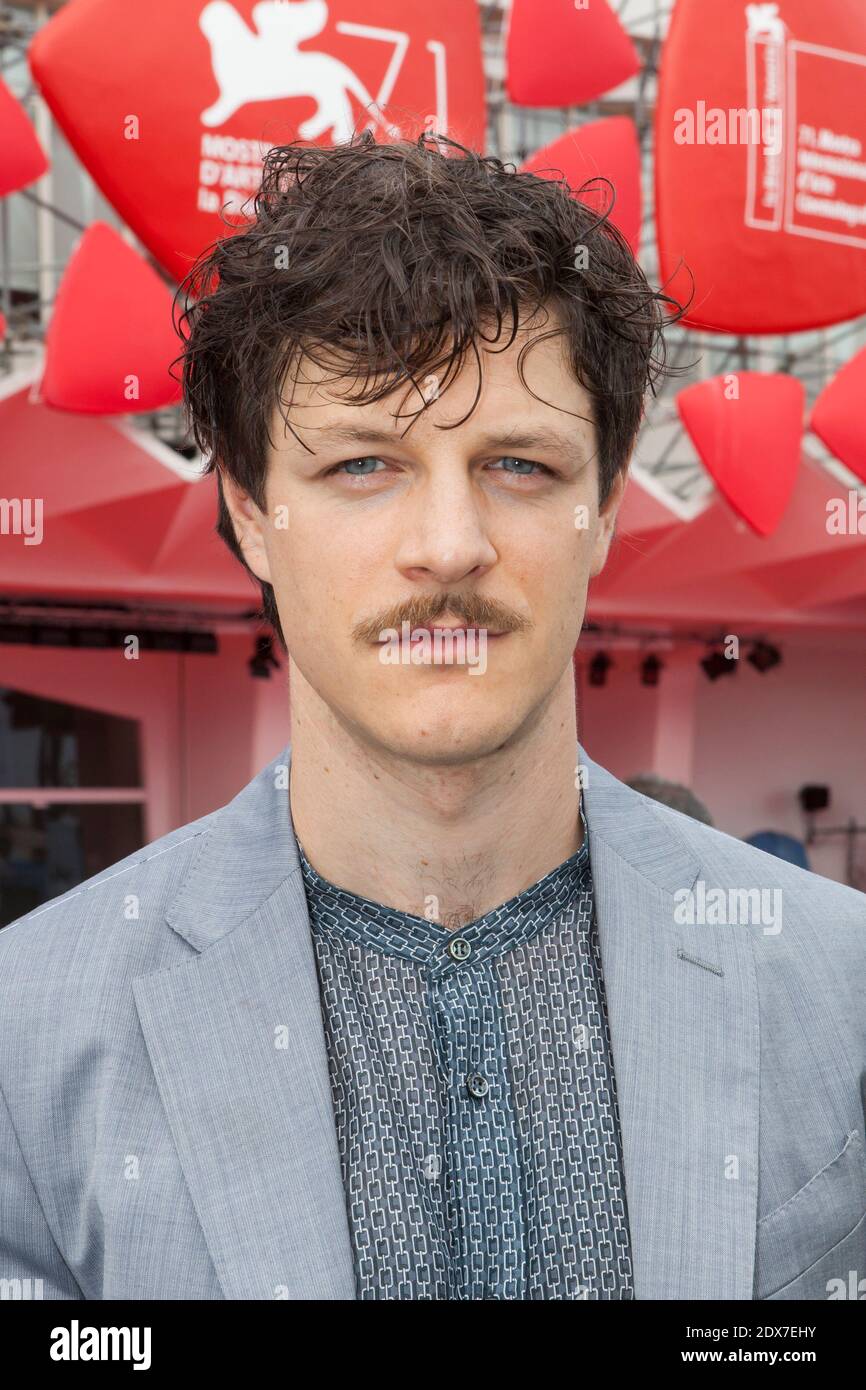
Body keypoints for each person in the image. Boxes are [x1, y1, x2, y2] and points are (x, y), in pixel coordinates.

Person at [1, 133, 863, 1302]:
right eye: (363, 465)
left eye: (519, 465)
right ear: (251, 513)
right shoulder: (28, 1034)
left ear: (605, 507)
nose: (448, 546)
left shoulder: (840, 982)